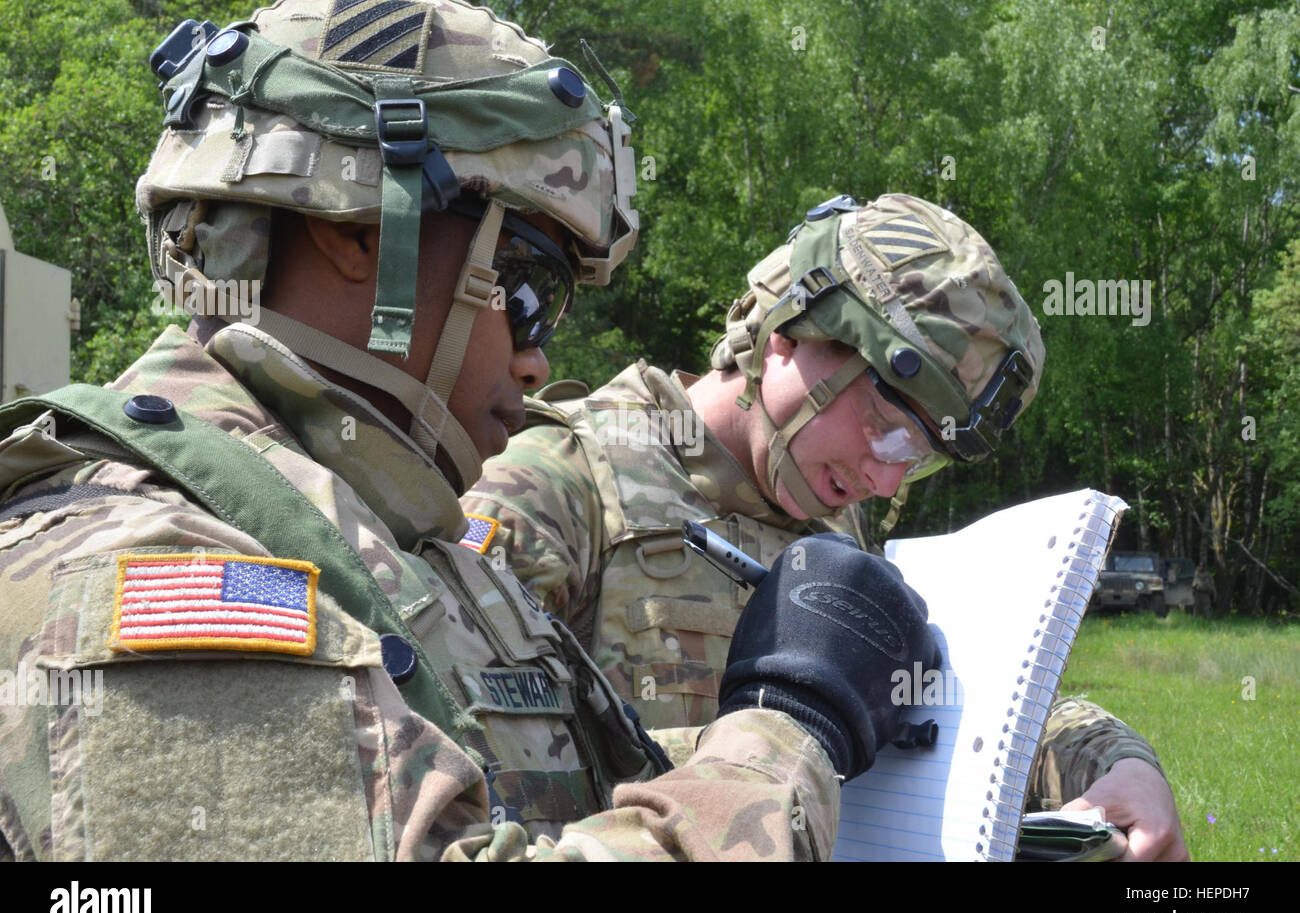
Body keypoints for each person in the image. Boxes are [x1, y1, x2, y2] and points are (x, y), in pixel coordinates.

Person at [0, 0, 940, 861]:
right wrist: (783, 736)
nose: (535, 361)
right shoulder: (146, 565)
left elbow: (524, 792)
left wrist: (826, 714)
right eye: (527, 287)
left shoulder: (402, 538)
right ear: (359, 231)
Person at [463, 193, 1190, 860]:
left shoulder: (834, 527)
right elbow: (482, 802)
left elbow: (970, 713)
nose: (885, 480)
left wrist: (1114, 757)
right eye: (887, 430)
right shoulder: (555, 486)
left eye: (920, 460)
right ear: (789, 333)